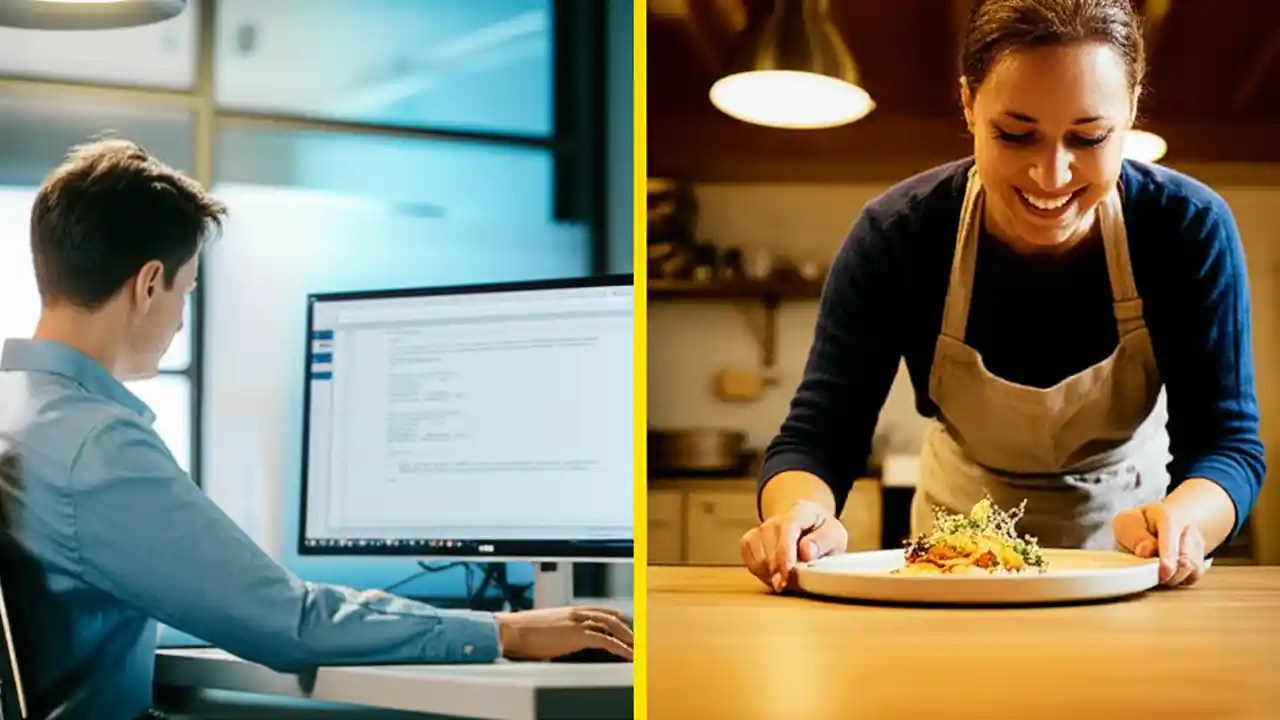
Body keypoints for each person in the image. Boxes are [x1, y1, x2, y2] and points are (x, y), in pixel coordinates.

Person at [0, 137, 632, 720]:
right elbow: (287, 621)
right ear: (148, 285)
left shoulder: (19, 414)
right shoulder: (97, 447)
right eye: (185, 290)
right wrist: (503, 631)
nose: (181, 319)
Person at [741, 0, 1264, 594]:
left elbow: (1228, 444)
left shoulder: (1187, 229)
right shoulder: (899, 236)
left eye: (1089, 137)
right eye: (1016, 135)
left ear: (1132, 106)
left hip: (1127, 555)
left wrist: (1184, 523)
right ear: (968, 103)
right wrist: (799, 515)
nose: (1052, 175)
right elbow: (819, 436)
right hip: (953, 561)